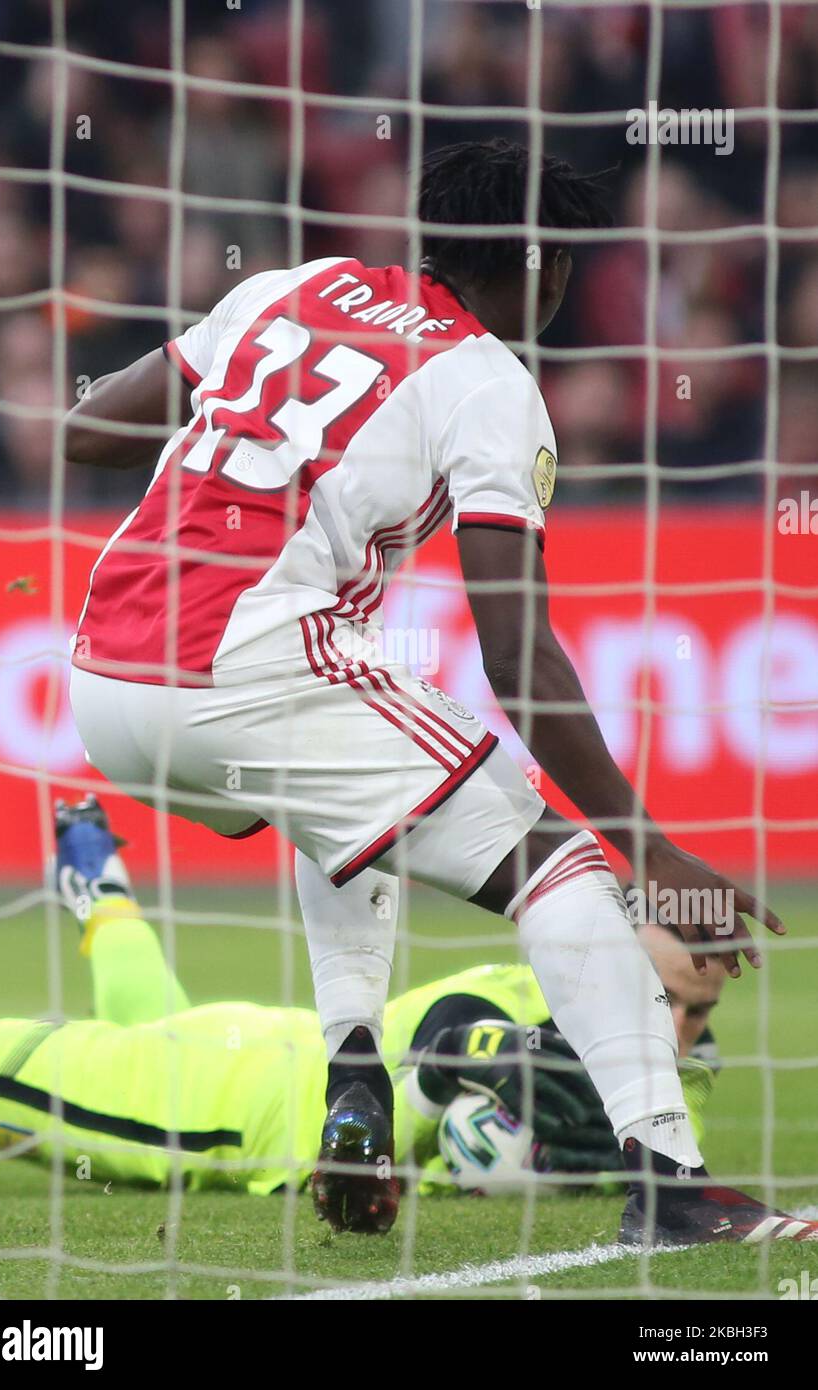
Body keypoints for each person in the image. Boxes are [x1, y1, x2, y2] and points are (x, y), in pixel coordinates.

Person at [62, 139, 802, 1245]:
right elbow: (516, 655)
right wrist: (643, 844)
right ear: (544, 267)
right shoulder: (487, 381)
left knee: (352, 794)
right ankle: (668, 1180)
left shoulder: (287, 287)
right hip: (246, 657)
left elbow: (87, 433)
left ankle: (353, 1073)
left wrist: (242, 412)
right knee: (555, 857)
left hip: (101, 673)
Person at [0, 799, 723, 1208]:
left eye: (697, 1013)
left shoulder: (675, 1082)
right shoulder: (533, 987)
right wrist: (461, 1063)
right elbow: (444, 1028)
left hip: (265, 1046)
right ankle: (98, 882)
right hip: (235, 1111)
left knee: (155, 1027)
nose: (680, 1032)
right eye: (666, 999)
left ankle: (98, 879)